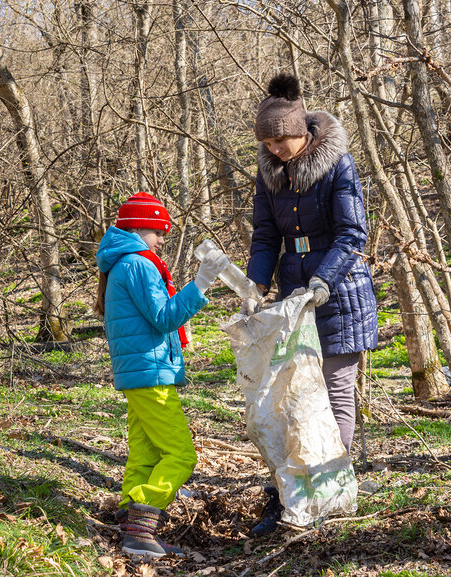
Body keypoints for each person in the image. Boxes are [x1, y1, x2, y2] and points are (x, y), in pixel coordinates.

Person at [244, 74, 378, 536]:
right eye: (268, 141)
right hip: (293, 300)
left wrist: (325, 281)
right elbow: (265, 236)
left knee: (335, 392)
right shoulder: (268, 173)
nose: (276, 148)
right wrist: (254, 285)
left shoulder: (338, 164)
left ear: (302, 130)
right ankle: (287, 492)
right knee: (291, 397)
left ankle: (328, 492)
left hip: (341, 293)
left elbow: (353, 234)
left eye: (282, 139)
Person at [94, 191, 229, 558]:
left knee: (145, 454)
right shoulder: (137, 264)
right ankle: (141, 527)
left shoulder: (122, 262)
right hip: (149, 373)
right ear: (140, 228)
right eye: (158, 233)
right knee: (181, 454)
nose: (162, 240)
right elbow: (165, 316)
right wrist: (201, 283)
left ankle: (129, 520)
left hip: (138, 372)